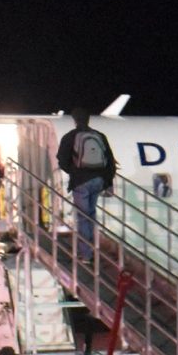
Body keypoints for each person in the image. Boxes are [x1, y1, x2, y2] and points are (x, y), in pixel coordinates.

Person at [55, 107, 117, 270]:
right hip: (98, 180)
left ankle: (87, 255)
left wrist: (74, 171)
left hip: (81, 181)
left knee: (82, 218)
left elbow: (61, 160)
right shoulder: (99, 136)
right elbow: (110, 161)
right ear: (89, 119)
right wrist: (108, 181)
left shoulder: (70, 136)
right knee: (91, 215)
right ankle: (92, 249)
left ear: (74, 120)